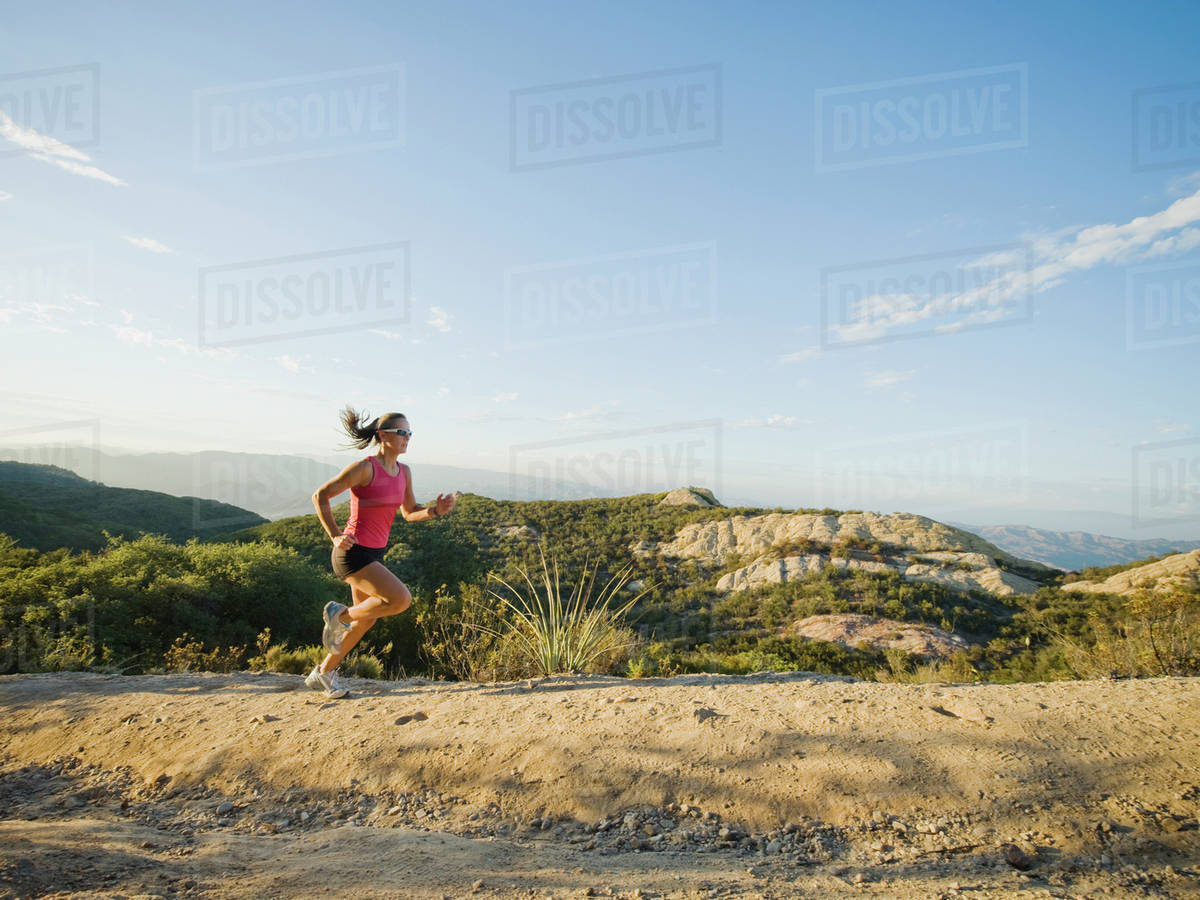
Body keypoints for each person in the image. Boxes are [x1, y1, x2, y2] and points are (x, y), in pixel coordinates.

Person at [307, 406, 456, 698]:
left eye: (409, 433)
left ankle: (322, 674)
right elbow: (320, 495)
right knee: (400, 599)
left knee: (368, 619)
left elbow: (410, 512)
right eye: (402, 432)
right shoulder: (366, 468)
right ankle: (339, 615)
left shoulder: (404, 472)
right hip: (352, 553)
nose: (407, 437)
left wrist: (435, 511)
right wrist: (336, 535)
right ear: (382, 435)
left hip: (374, 554)